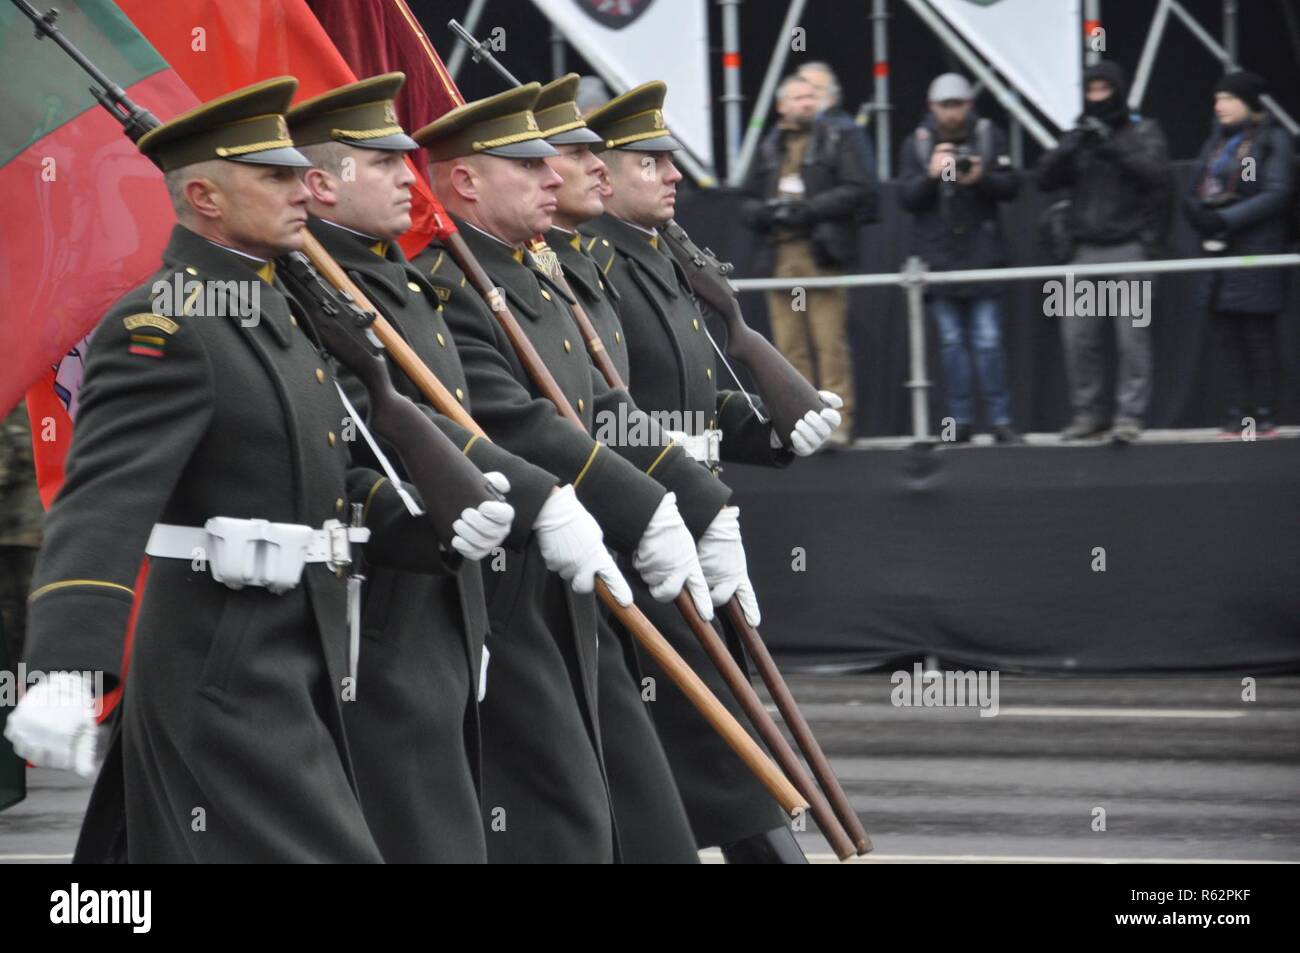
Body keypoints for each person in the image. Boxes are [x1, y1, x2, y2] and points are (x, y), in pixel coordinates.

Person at [3, 78, 511, 861]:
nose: (302, 186)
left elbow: (326, 482)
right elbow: (105, 496)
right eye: (274, 176)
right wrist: (69, 662)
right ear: (204, 196)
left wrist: (430, 528)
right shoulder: (163, 323)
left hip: (297, 649)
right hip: (222, 663)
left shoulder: (281, 311)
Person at [412, 83, 733, 863]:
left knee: (631, 800)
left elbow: (605, 412)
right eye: (530, 164)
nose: (556, 174)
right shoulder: (453, 285)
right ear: (466, 182)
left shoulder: (539, 272)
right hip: (514, 574)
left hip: (584, 567)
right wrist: (651, 506)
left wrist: (696, 501)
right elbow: (520, 424)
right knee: (559, 807)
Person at [286, 73, 587, 862]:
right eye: (383, 164)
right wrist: (515, 503)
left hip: (447, 598)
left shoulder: (402, 285)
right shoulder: (312, 291)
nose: (405, 178)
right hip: (379, 602)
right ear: (320, 184)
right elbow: (355, 450)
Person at [584, 80, 843, 862]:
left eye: (671, 161)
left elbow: (703, 394)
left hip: (696, 512)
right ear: (604, 172)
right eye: (651, 162)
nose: (672, 175)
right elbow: (609, 411)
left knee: (714, 729)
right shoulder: (593, 264)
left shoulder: (667, 257)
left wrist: (774, 434)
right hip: (642, 526)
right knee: (717, 738)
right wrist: (689, 499)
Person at [1037, 61, 1172, 444]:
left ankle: (1129, 417)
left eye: (1103, 90)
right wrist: (1070, 147)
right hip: (1083, 249)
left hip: (1129, 246)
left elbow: (1157, 175)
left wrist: (1112, 148)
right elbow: (1044, 178)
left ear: (1118, 91)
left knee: (1133, 341)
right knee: (1079, 340)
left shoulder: (1142, 130)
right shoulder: (1077, 134)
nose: (1097, 97)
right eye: (1091, 90)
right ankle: (1088, 415)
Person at [740, 72, 872, 446]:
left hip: (820, 256)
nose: (807, 103)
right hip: (780, 259)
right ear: (781, 106)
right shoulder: (769, 147)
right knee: (789, 348)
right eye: (798, 97)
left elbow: (857, 189)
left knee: (830, 344)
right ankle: (801, 422)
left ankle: (840, 423)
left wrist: (807, 209)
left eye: (812, 96)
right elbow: (745, 201)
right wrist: (769, 211)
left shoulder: (835, 138)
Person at [897, 73, 1022, 444]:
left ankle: (1001, 421)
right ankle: (959, 422)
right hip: (939, 259)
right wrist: (932, 175)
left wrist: (981, 177)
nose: (951, 113)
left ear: (969, 104)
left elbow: (1012, 186)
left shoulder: (987, 135)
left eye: (958, 104)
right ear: (932, 107)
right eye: (944, 106)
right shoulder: (918, 145)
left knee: (987, 340)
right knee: (952, 343)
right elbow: (906, 198)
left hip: (982, 256)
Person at [1184, 70, 1296, 437]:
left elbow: (1274, 193)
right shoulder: (1214, 143)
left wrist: (1227, 219)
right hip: (1218, 259)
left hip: (1256, 255)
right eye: (1217, 99)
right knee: (1227, 340)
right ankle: (1236, 413)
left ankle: (1263, 414)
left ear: (1248, 103)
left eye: (1228, 98)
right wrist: (1199, 213)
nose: (1220, 106)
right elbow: (1195, 188)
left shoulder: (1270, 140)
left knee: (1257, 338)